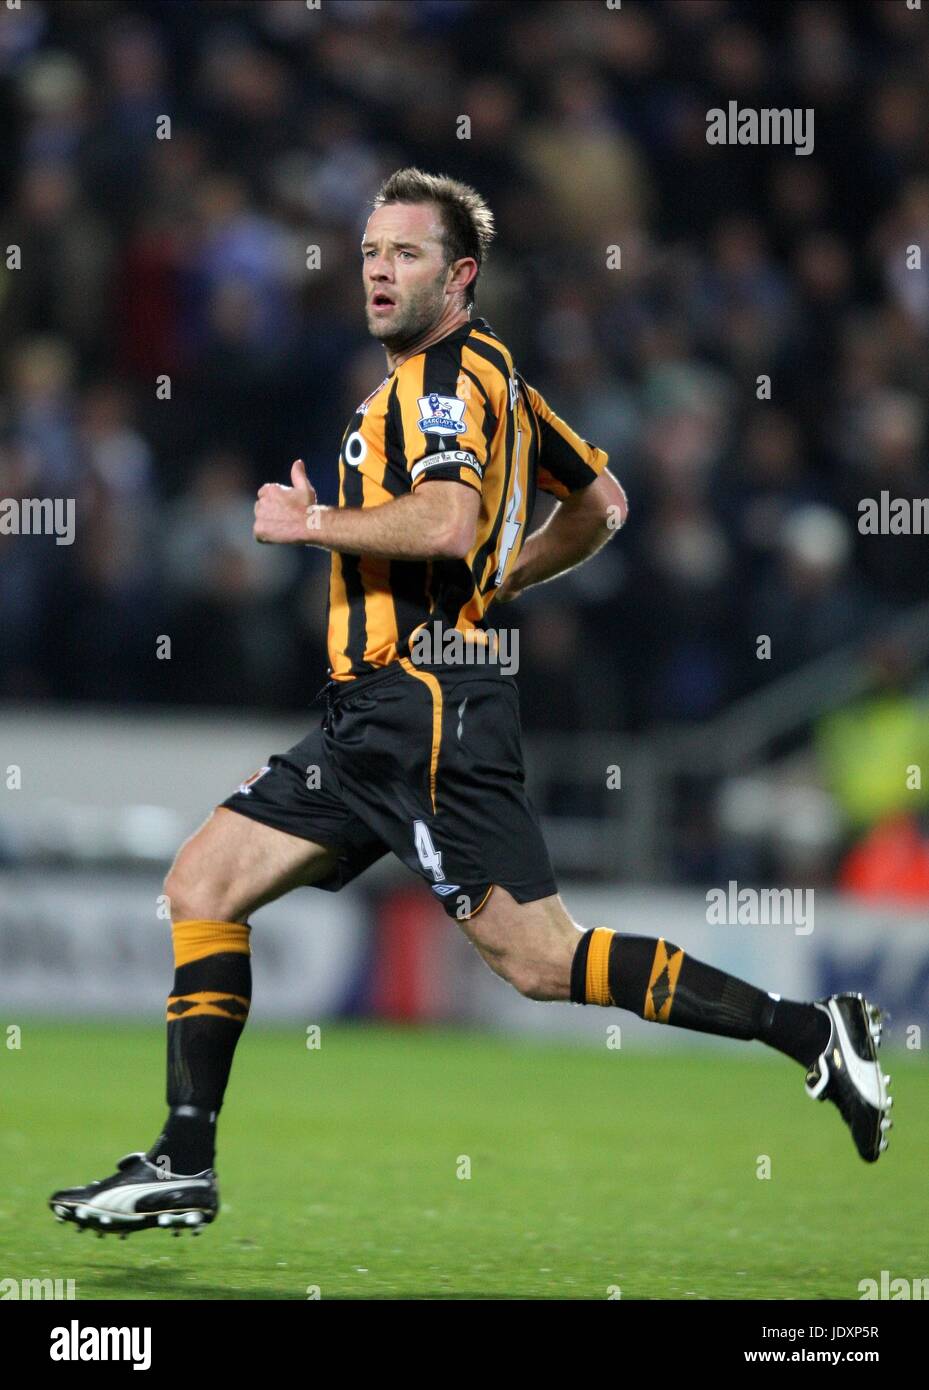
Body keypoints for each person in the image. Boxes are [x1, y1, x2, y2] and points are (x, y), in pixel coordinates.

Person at [49, 169, 892, 1238]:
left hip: (424, 709)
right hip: (375, 712)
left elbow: (449, 521)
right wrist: (502, 580)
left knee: (538, 960)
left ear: (459, 275)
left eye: (403, 255)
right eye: (367, 253)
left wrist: (312, 530)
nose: (377, 272)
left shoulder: (444, 381)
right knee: (203, 882)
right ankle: (182, 1158)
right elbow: (601, 503)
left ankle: (811, 1034)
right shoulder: (492, 379)